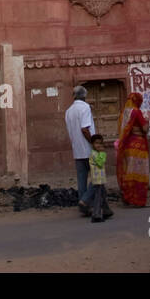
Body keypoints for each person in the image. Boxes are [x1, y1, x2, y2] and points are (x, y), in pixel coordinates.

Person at [64, 85, 96, 215]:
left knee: (82, 180)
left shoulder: (69, 111)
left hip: (77, 150)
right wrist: (94, 142)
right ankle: (85, 200)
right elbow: (84, 129)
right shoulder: (85, 108)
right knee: (98, 178)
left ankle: (84, 205)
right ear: (84, 96)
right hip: (88, 149)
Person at [116, 92, 150, 207]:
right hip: (138, 147)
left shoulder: (124, 113)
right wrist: (147, 123)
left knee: (128, 172)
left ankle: (127, 197)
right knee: (139, 173)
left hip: (127, 146)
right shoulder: (136, 111)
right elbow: (144, 129)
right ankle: (138, 200)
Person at [82, 134, 110, 222]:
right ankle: (96, 215)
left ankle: (107, 211)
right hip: (97, 180)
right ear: (92, 144)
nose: (99, 145)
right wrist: (102, 153)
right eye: (96, 143)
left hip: (100, 179)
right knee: (98, 198)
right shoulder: (94, 154)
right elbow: (100, 163)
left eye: (100, 144)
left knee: (103, 196)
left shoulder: (97, 153)